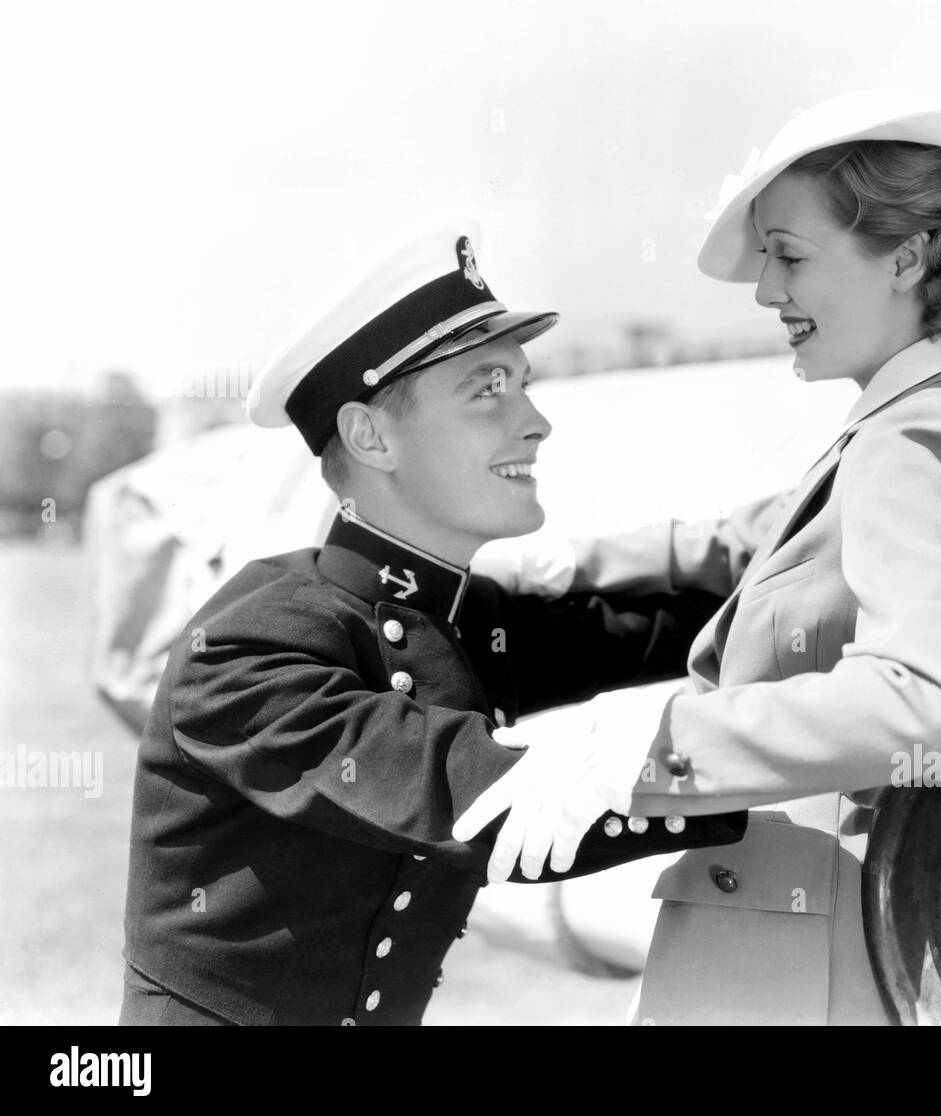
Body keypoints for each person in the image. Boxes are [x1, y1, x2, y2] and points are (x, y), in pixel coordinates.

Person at [454, 91, 941, 1024]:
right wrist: (562, 565)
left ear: (903, 257)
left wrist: (652, 746)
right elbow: (750, 539)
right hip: (879, 929)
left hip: (802, 954)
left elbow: (927, 703)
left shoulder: (904, 443)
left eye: (790, 256)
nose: (768, 291)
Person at [118, 227, 745, 1026]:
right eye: (489, 389)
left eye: (524, 383)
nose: (536, 422)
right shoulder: (253, 645)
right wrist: (770, 765)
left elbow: (667, 627)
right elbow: (483, 798)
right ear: (370, 436)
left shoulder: (457, 617)